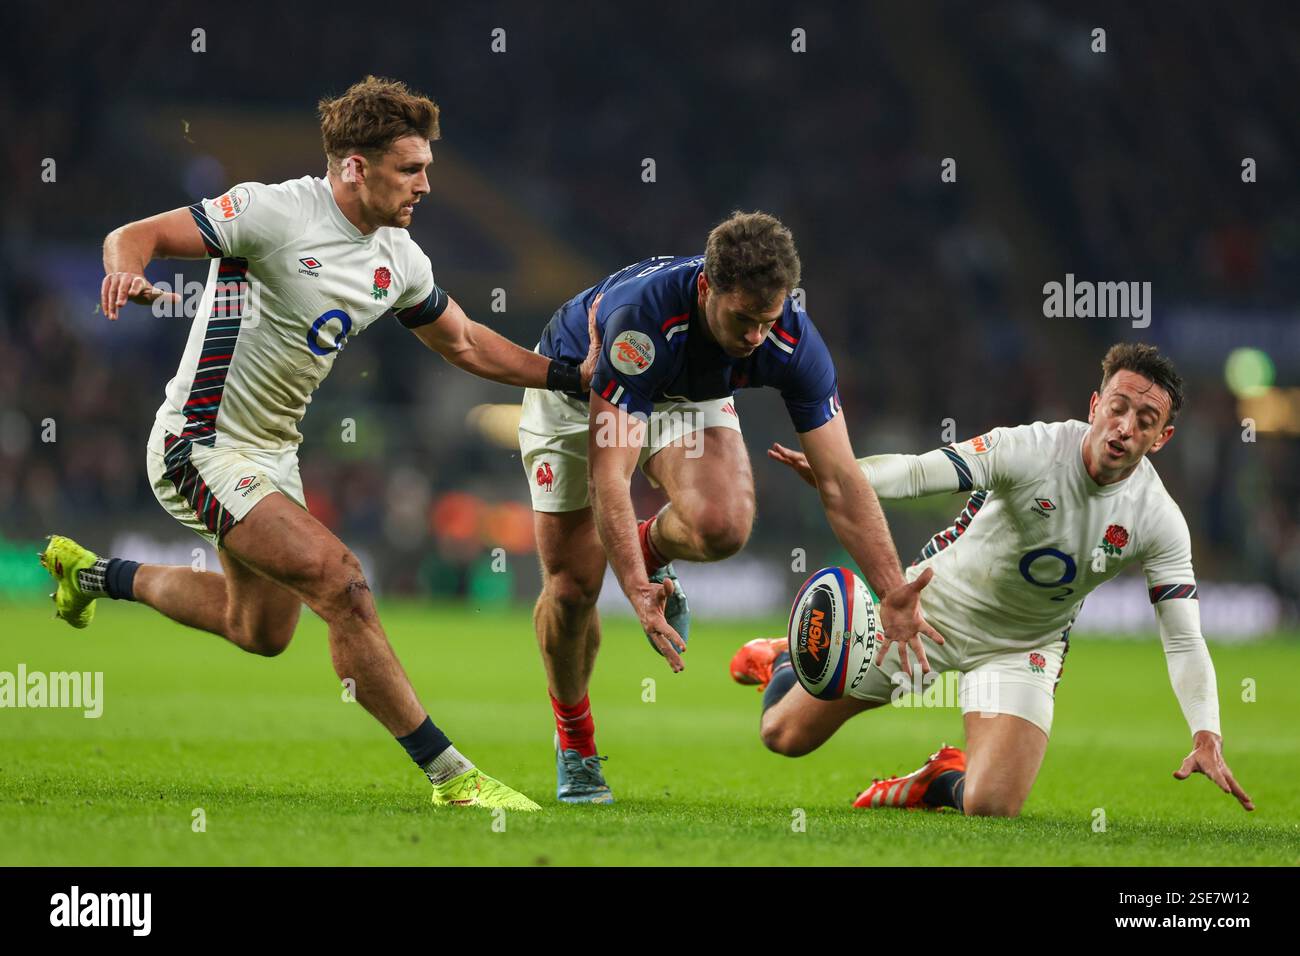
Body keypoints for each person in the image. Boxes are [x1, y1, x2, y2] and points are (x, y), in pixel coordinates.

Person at [40, 76, 598, 812]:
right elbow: (134, 237)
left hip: (272, 455)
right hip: (198, 444)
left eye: (427, 166)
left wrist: (566, 375)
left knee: (261, 630)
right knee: (342, 583)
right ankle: (453, 776)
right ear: (354, 167)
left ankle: (93, 577)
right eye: (411, 168)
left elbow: (462, 341)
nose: (427, 183)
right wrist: (125, 273)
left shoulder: (399, 258)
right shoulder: (272, 210)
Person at [518, 212, 942, 803]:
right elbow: (610, 475)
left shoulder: (791, 337)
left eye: (766, 322)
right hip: (581, 393)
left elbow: (842, 479)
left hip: (688, 393)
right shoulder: (641, 324)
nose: (755, 338)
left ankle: (649, 546)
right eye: (743, 320)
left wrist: (891, 587)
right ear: (706, 289)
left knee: (723, 526)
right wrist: (636, 592)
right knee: (570, 590)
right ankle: (576, 743)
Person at [731, 343, 1254, 816]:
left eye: (1145, 419)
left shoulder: (1158, 518)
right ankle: (786, 656)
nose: (1124, 427)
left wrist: (1207, 732)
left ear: (1162, 438)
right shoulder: (1031, 448)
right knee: (783, 735)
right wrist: (840, 473)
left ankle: (936, 780)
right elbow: (918, 472)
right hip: (931, 611)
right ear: (1095, 406)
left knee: (992, 806)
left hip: (1023, 645)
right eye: (1118, 408)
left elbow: (1184, 637)